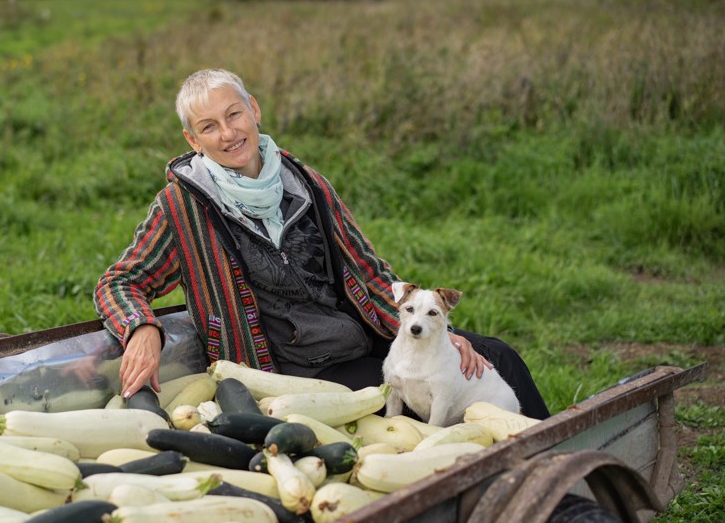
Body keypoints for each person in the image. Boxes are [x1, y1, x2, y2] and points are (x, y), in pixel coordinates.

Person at [94, 69, 550, 419]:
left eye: (234, 115)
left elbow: (369, 271)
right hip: (295, 372)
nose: (228, 133)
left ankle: (559, 475)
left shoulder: (307, 183)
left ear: (254, 110)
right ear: (192, 140)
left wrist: (441, 335)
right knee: (423, 399)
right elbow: (119, 282)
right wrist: (141, 327)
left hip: (365, 338)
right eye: (209, 127)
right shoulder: (181, 207)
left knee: (497, 358)